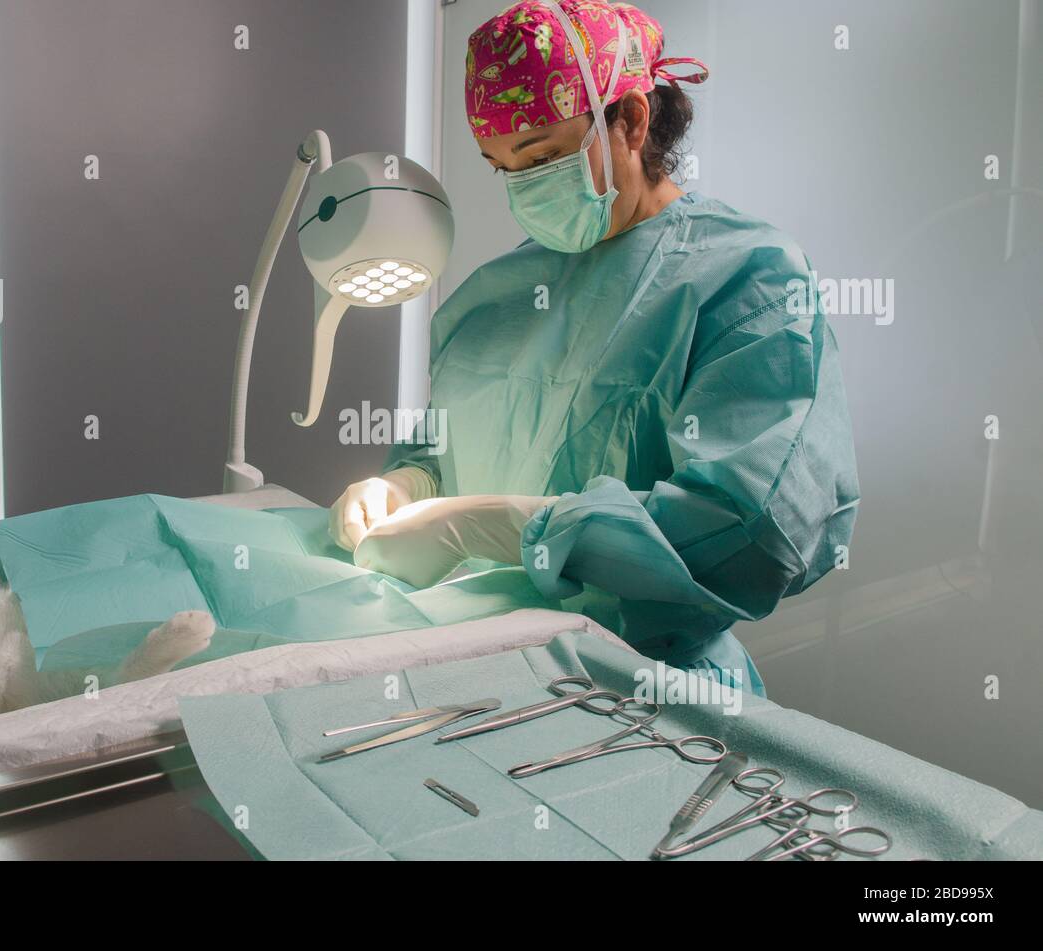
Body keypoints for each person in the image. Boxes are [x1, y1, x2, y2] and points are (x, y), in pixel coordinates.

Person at [329, 0, 859, 697]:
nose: (523, 191)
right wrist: (407, 482)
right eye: (501, 167)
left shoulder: (749, 279)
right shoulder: (500, 291)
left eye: (542, 156)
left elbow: (749, 535)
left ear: (632, 120)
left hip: (650, 695)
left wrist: (510, 529)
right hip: (469, 670)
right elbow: (443, 441)